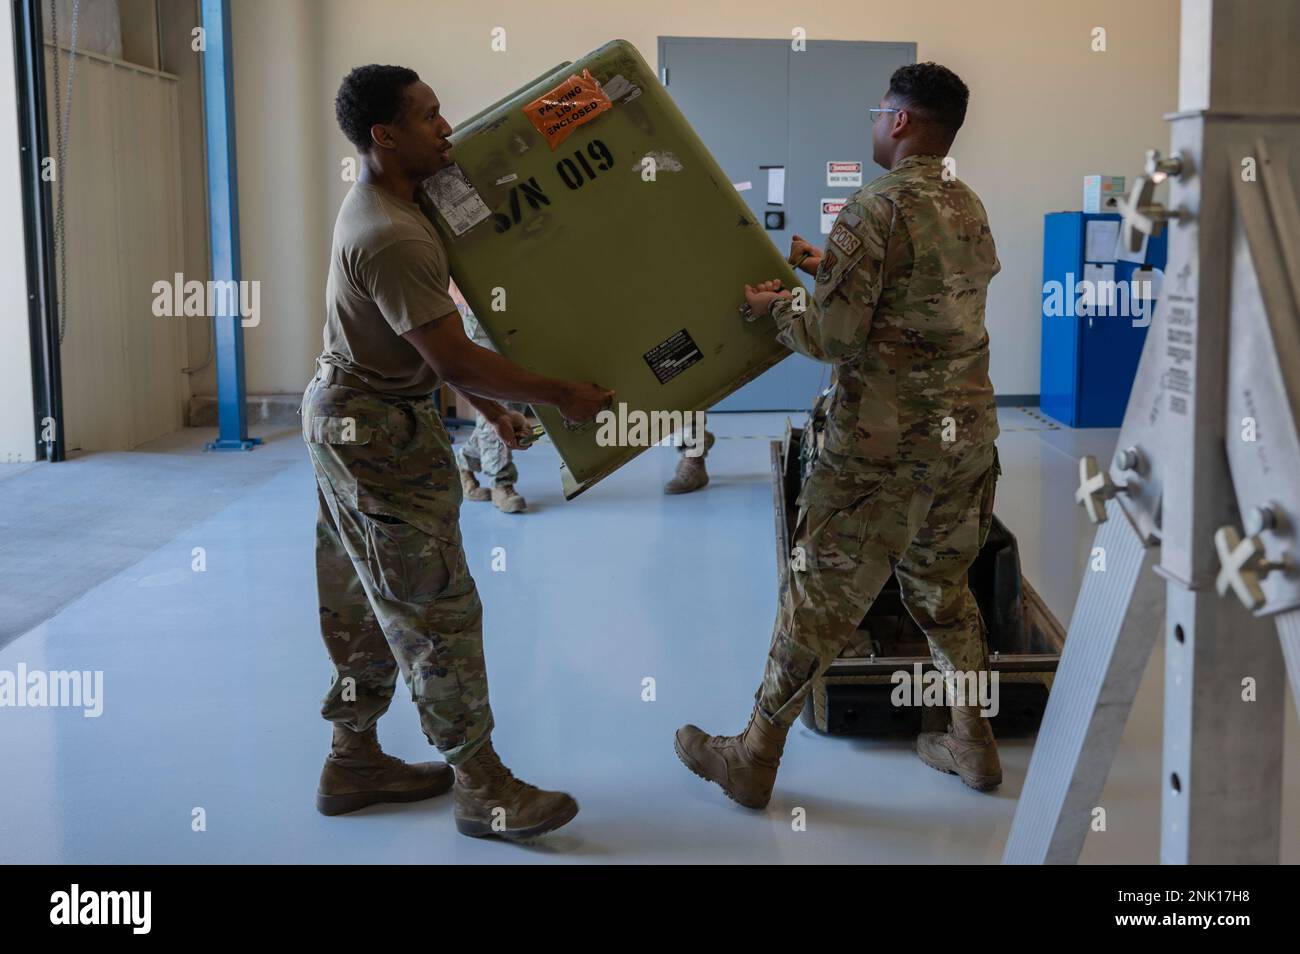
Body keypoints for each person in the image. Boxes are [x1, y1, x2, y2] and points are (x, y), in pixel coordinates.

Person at [675, 62, 1003, 807]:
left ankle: (753, 758)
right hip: (965, 438)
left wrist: (776, 307)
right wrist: (831, 270)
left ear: (899, 120)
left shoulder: (874, 205)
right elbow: (929, 301)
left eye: (878, 111)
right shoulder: (966, 203)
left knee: (817, 596)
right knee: (944, 590)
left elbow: (833, 336)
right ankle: (973, 742)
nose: (874, 122)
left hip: (881, 448)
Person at [303, 64, 612, 841]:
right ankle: (482, 786)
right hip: (375, 430)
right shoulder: (393, 233)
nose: (446, 128)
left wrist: (493, 409)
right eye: (429, 116)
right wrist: (557, 394)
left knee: (364, 598)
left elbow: (420, 347)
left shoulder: (396, 206)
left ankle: (353, 759)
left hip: (353, 415)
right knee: (433, 607)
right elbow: (451, 355)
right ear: (385, 134)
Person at [449, 283, 527, 513]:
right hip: (479, 314)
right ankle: (501, 484)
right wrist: (460, 297)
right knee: (497, 402)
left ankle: (464, 462)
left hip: (516, 311)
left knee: (515, 404)